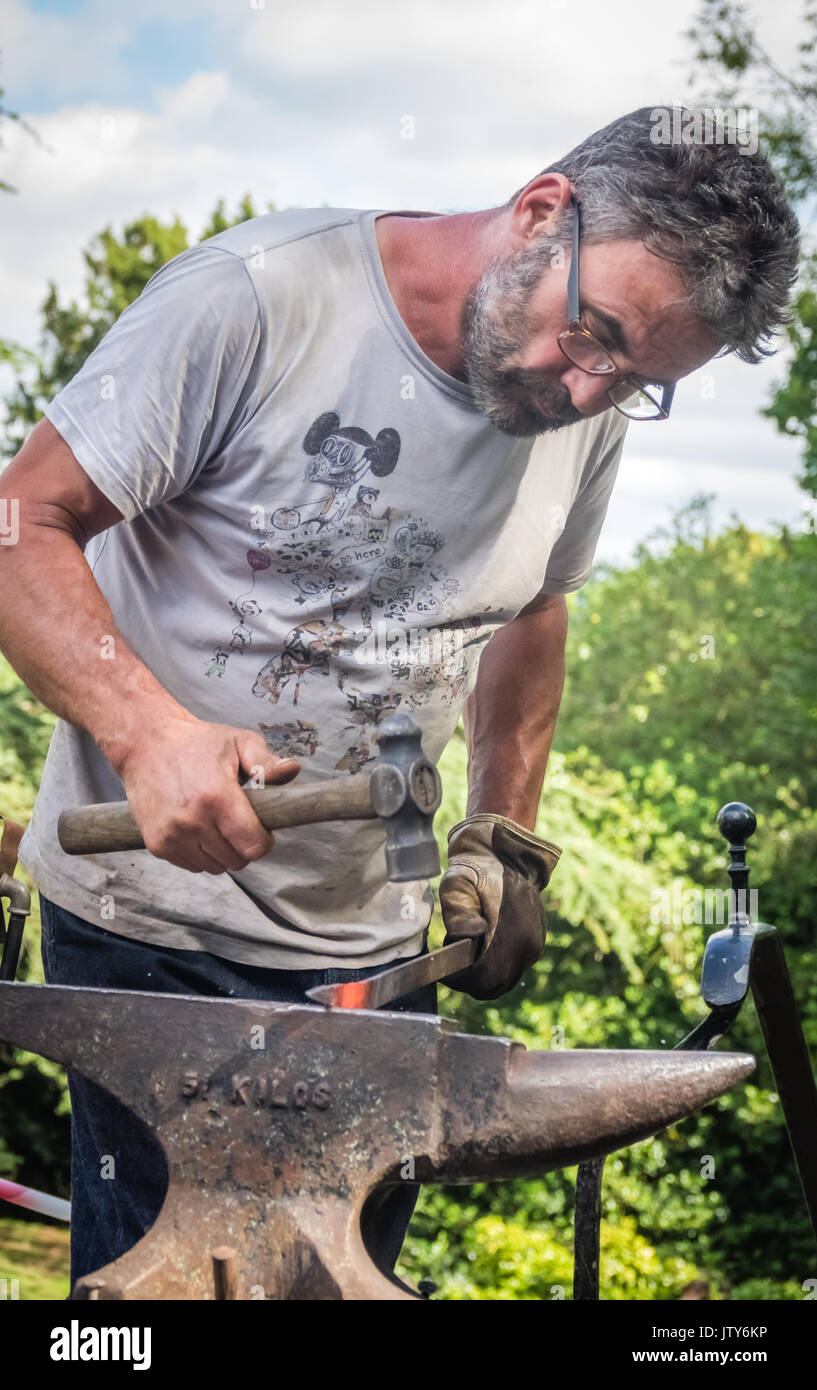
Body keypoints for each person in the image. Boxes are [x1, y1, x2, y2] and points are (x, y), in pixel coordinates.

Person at [0, 106, 799, 1292]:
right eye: (592, 334)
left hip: (374, 959)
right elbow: (23, 525)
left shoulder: (582, 402)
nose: (584, 389)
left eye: (636, 381)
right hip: (151, 933)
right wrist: (147, 732)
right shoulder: (262, 299)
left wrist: (501, 835)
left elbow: (536, 606)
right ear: (540, 213)